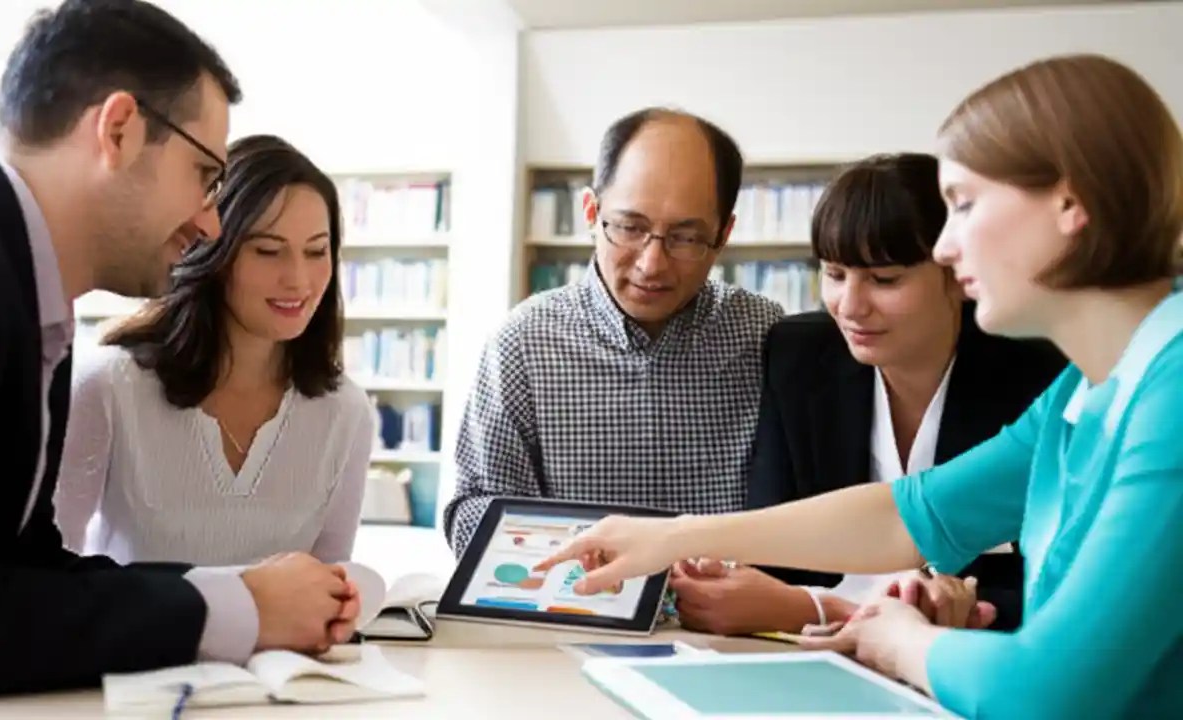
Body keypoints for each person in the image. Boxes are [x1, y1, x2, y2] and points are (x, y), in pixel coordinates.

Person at [537, 53, 1183, 719]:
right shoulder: (1087, 387)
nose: (947, 246)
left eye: (963, 205)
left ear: (1069, 203)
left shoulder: (1172, 394)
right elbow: (914, 514)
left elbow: (1046, 689)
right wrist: (672, 537)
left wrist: (905, 643)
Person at [0, 2, 358, 713]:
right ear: (117, 130)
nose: (210, 222)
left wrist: (235, 596)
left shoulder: (21, 295)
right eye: (204, 174)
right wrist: (236, 608)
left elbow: (22, 570)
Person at [672, 153, 1066, 637]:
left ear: (957, 273)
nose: (851, 307)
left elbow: (1050, 590)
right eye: (835, 274)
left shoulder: (1041, 373)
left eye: (884, 280)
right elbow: (774, 556)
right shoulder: (798, 355)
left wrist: (813, 607)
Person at [443, 107, 784, 556]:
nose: (651, 264)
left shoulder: (766, 336)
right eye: (629, 227)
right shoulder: (523, 344)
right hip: (571, 609)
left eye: (685, 237)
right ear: (591, 211)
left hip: (730, 621)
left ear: (723, 234)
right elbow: (474, 512)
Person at [54, 134, 374, 567]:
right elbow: (50, 567)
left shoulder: (346, 412)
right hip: (135, 637)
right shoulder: (109, 388)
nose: (299, 280)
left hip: (280, 640)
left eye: (316, 251)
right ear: (213, 253)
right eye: (268, 251)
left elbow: (326, 582)